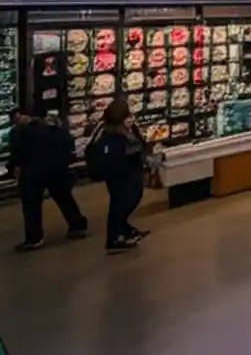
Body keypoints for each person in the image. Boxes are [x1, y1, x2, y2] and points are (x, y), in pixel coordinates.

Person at [9, 113, 88, 252]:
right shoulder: (52, 127)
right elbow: (68, 142)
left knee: (31, 204)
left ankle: (34, 238)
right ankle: (78, 225)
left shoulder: (19, 132)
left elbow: (16, 155)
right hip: (56, 169)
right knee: (63, 197)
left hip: (33, 172)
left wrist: (15, 169)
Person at [87, 99, 150, 252]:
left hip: (130, 170)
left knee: (129, 200)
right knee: (120, 204)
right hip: (119, 173)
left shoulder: (126, 127)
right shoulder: (106, 130)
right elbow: (91, 148)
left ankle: (125, 230)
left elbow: (140, 141)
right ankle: (114, 238)